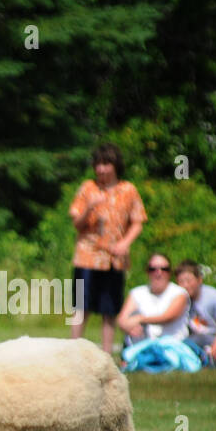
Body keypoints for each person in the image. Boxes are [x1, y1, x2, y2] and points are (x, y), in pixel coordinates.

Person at [68, 143, 147, 354]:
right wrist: (89, 208)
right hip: (87, 256)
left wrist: (125, 243)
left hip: (115, 259)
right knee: (80, 307)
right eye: (98, 165)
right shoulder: (88, 188)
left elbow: (138, 221)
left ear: (115, 165)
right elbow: (77, 223)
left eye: (106, 164)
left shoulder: (128, 190)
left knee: (109, 310)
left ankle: (106, 355)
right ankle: (73, 353)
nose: (101, 169)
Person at [117, 253, 189, 343]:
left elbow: (167, 317)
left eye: (164, 269)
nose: (159, 273)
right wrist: (129, 328)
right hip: (142, 348)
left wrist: (140, 319)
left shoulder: (180, 293)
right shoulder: (137, 293)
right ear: (147, 272)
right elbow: (121, 320)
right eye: (153, 269)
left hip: (172, 346)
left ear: (170, 272)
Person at [175, 260, 216, 367]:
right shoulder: (179, 299)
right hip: (195, 341)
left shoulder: (214, 297)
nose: (185, 285)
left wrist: (214, 349)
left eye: (188, 280)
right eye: (181, 281)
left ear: (199, 280)